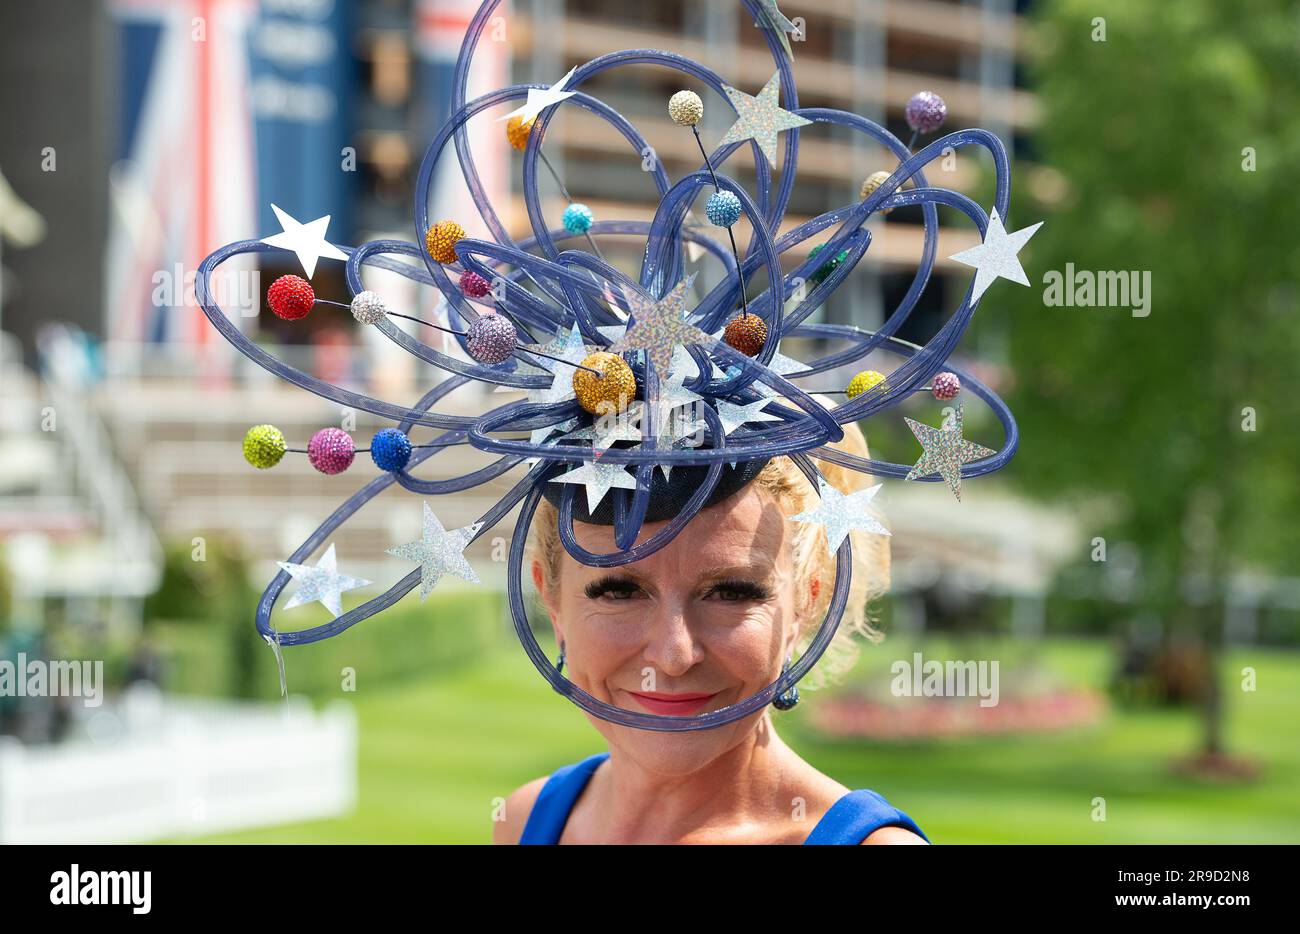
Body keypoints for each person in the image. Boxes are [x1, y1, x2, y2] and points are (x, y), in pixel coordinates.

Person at [495, 408, 928, 845]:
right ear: (552, 602)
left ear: (806, 602)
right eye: (620, 591)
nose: (674, 656)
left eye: (731, 593)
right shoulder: (525, 821)